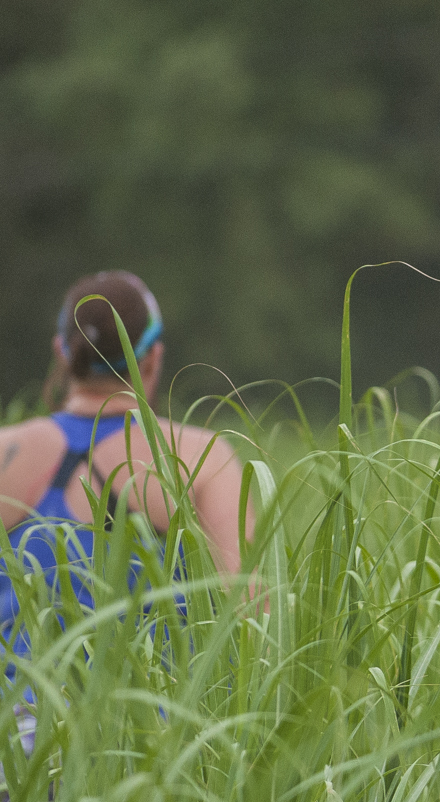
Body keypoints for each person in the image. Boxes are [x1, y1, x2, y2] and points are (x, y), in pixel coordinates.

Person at [1, 270, 253, 757]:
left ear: (61, 352)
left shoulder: (8, 453)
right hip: (138, 744)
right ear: (153, 355)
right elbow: (249, 614)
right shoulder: (201, 460)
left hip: (14, 744)